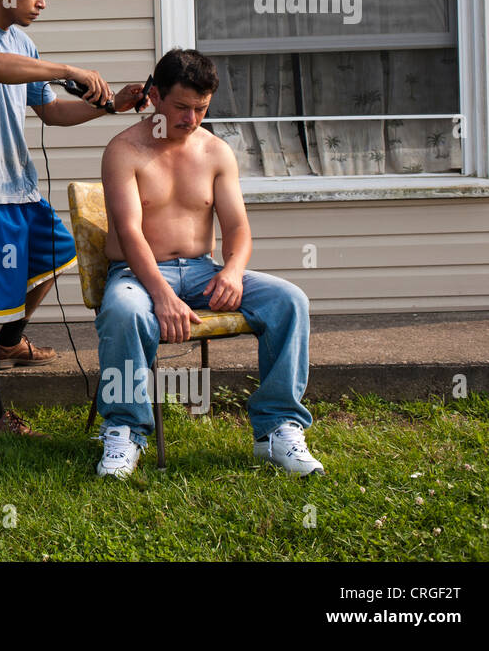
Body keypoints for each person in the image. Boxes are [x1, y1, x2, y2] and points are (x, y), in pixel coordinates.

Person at [0, 0, 143, 439]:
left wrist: (111, 104)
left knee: (60, 254)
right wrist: (67, 68)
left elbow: (51, 112)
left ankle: (10, 341)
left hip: (22, 190)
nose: (42, 2)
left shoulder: (24, 44)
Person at [95, 48, 323, 477]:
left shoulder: (216, 152)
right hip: (138, 273)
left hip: (202, 270)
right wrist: (162, 296)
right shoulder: (124, 150)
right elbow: (129, 234)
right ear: (155, 95)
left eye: (201, 109)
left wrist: (233, 271)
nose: (191, 119)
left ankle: (277, 429)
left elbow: (238, 228)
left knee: (289, 300)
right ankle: (125, 431)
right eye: (181, 107)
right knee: (124, 312)